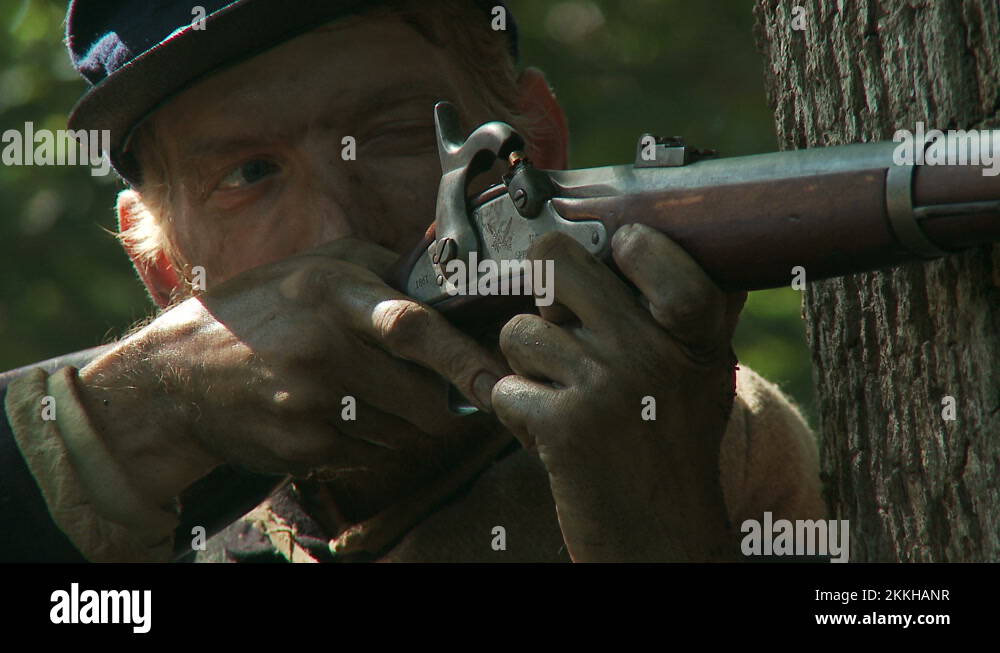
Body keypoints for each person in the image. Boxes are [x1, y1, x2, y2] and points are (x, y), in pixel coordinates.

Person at [0, 0, 824, 563]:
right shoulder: (148, 511)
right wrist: (140, 405)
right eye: (250, 172)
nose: (336, 230)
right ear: (163, 268)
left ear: (536, 145)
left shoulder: (720, 439)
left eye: (396, 133)